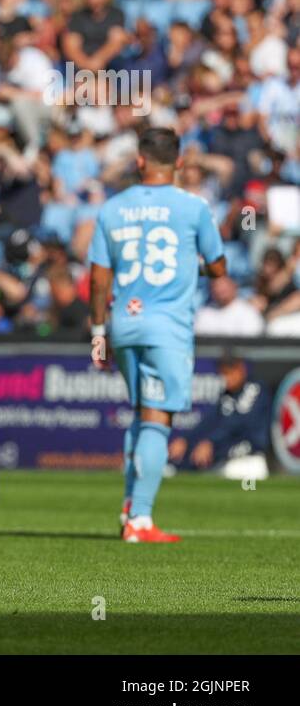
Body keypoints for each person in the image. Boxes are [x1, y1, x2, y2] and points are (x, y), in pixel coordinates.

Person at [88, 127, 227, 544]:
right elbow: (218, 268)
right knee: (158, 418)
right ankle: (141, 521)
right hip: (167, 327)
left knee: (141, 413)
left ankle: (130, 508)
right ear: (180, 162)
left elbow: (98, 279)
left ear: (140, 160)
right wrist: (194, 267)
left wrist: (98, 332)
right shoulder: (194, 207)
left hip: (124, 324)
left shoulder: (112, 209)